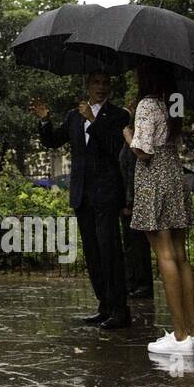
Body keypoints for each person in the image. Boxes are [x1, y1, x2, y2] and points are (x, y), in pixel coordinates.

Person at [32, 72, 131, 329]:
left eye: (105, 82)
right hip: (82, 194)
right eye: (96, 82)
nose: (101, 87)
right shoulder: (73, 116)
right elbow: (53, 141)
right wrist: (45, 121)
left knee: (110, 252)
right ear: (87, 85)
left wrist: (93, 120)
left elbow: (113, 148)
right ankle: (104, 305)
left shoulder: (119, 115)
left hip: (107, 194)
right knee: (93, 255)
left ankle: (121, 310)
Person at [126, 62, 194, 355]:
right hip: (174, 175)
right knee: (180, 255)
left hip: (154, 177)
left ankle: (180, 336)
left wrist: (127, 129)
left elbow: (142, 150)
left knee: (165, 255)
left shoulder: (147, 104)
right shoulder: (175, 103)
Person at [118, 106, 154, 299]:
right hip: (127, 199)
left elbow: (134, 172)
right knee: (130, 244)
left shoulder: (134, 140)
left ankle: (142, 283)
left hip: (135, 201)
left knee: (138, 244)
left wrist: (130, 203)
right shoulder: (125, 141)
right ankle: (132, 282)